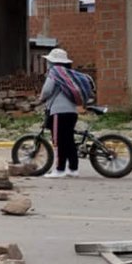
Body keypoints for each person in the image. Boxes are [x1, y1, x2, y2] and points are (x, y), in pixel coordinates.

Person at [38, 47, 85, 178]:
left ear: (53, 62)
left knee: (58, 141)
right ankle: (73, 169)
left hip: (58, 112)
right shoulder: (69, 73)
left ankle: (59, 169)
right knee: (69, 140)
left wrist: (41, 98)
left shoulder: (54, 73)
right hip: (72, 112)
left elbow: (47, 90)